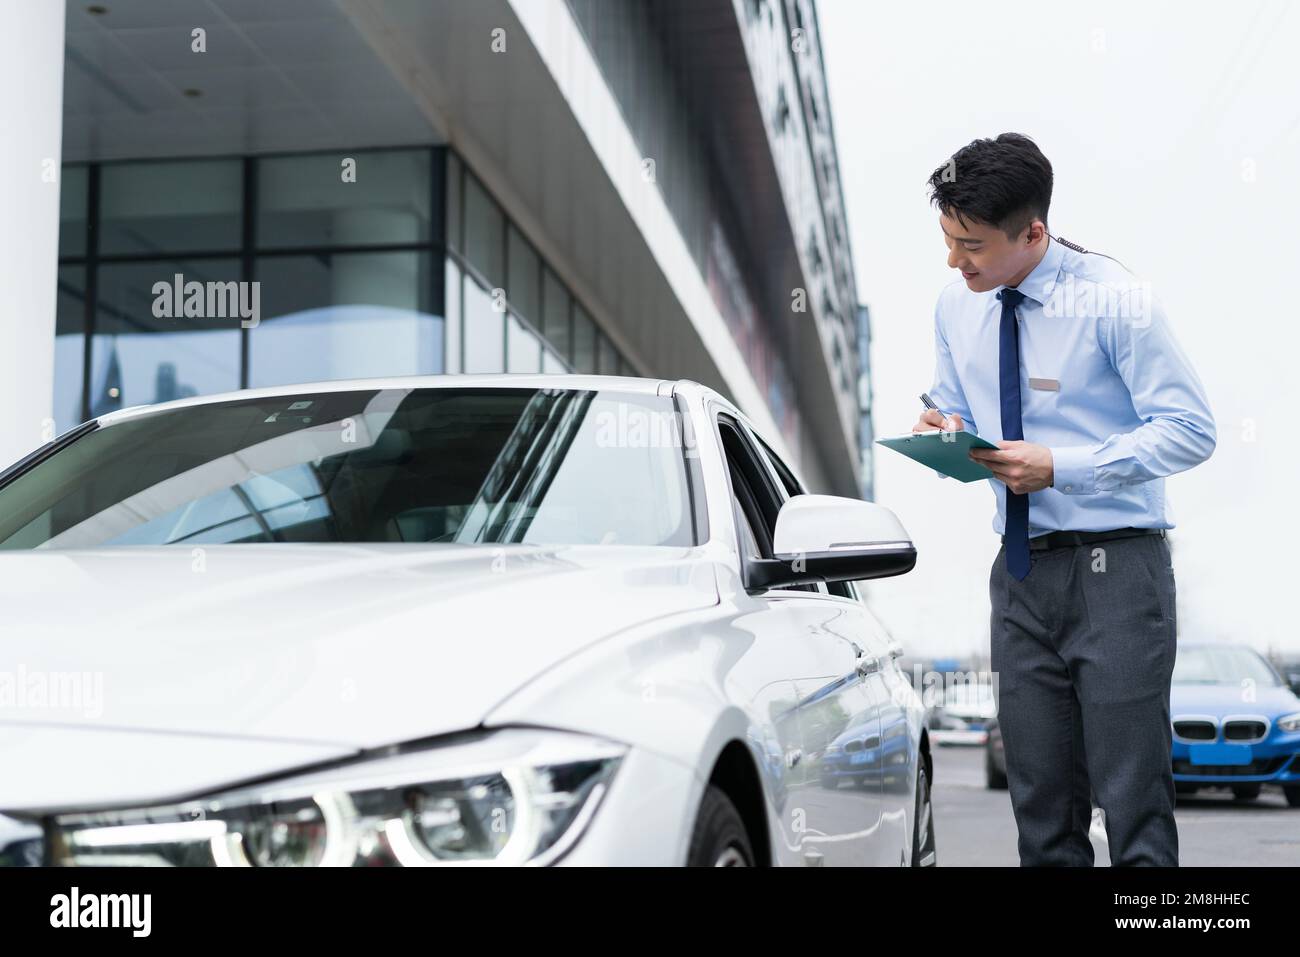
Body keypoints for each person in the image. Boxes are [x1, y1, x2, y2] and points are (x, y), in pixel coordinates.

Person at [914, 133, 1216, 866]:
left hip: (1119, 572)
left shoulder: (1114, 300)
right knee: (1041, 812)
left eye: (971, 246)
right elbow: (953, 404)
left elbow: (1191, 430)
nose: (955, 261)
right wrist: (942, 428)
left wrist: (1062, 467)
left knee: (1133, 804)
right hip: (1019, 573)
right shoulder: (956, 307)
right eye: (948, 240)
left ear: (1033, 233)